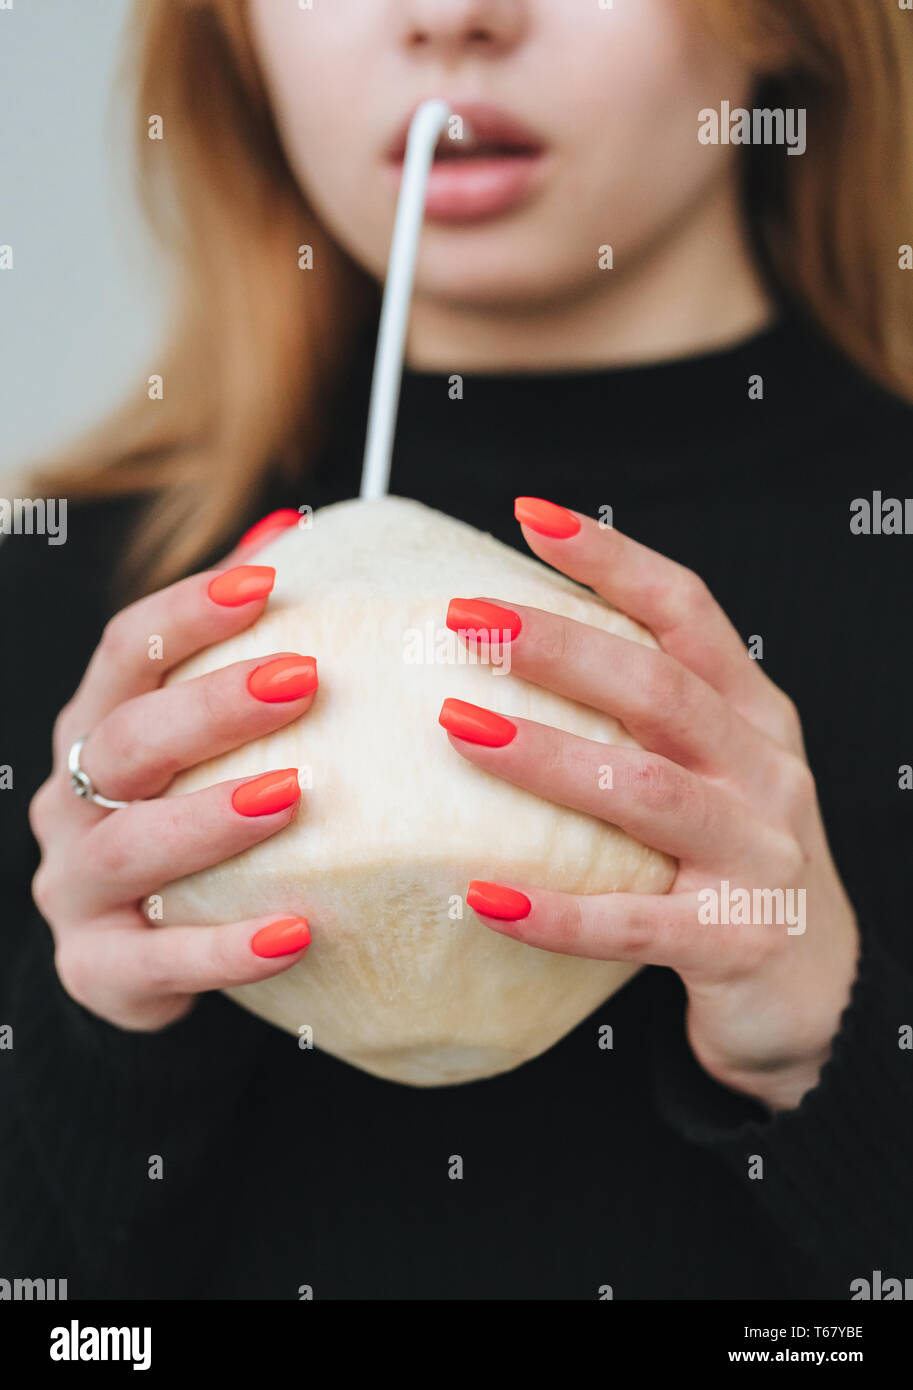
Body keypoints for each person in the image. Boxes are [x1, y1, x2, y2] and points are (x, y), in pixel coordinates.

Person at [1, 0, 911, 1299]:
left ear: (781, 24)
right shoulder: (70, 605)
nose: (450, 16)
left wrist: (825, 1043)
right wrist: (96, 1041)